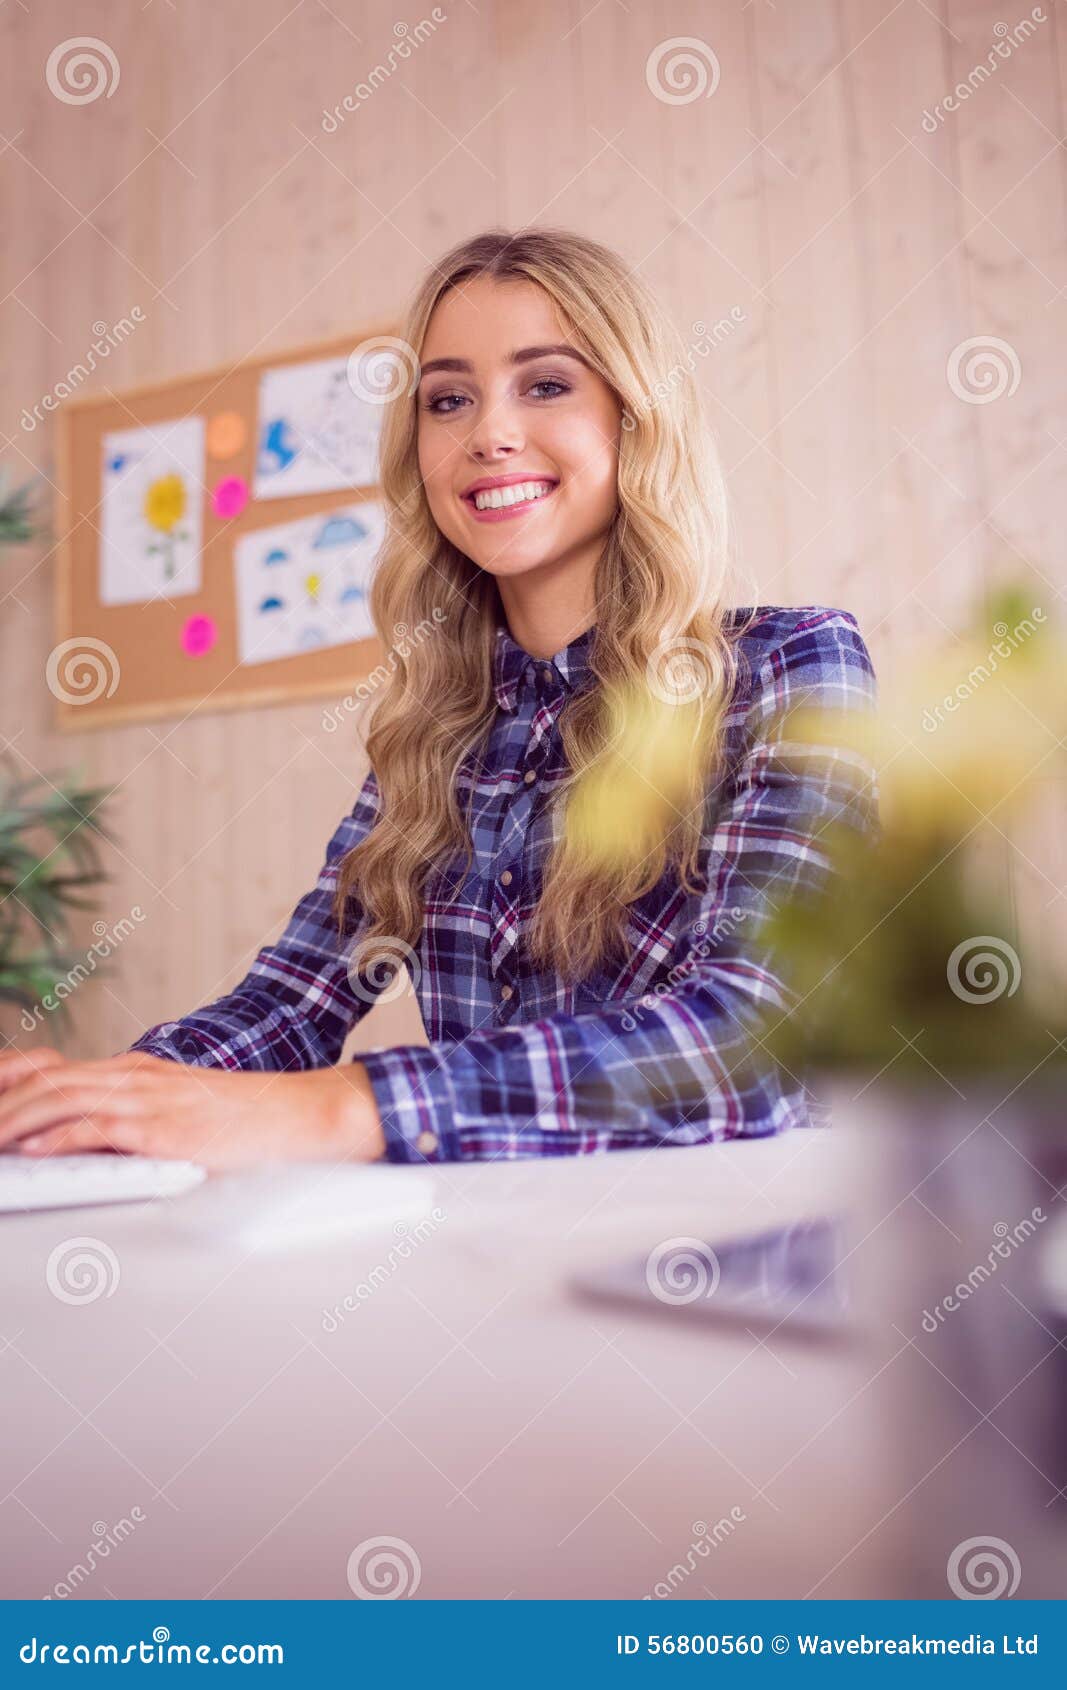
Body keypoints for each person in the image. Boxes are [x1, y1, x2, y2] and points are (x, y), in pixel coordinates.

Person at [0, 228, 877, 1168]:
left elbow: (759, 1037)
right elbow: (288, 1007)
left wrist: (346, 1105)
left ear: (635, 415)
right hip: (487, 1257)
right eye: (447, 400)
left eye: (546, 384)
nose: (488, 434)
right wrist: (94, 1108)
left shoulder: (791, 667)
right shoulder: (439, 739)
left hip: (734, 1267)